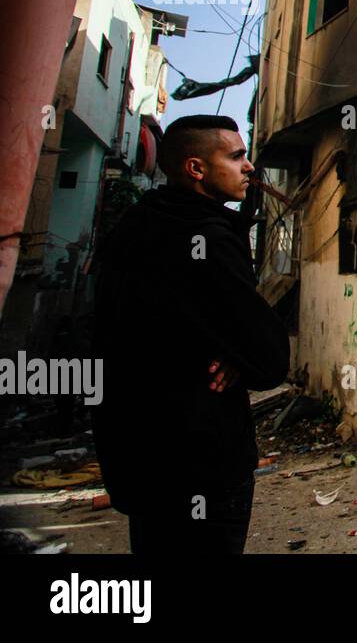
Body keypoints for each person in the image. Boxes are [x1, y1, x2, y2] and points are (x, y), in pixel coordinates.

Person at [92, 115, 289, 553]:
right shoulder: (206, 240)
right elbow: (271, 358)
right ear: (196, 168)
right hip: (202, 465)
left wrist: (232, 352)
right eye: (236, 156)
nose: (249, 167)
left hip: (137, 467)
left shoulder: (129, 232)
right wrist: (237, 353)